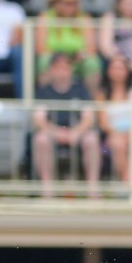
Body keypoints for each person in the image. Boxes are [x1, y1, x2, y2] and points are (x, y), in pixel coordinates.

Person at [29, 47, 99, 195]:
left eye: (65, 67)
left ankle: (92, 188)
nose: (62, 72)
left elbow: (89, 118)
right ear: (51, 70)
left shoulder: (81, 89)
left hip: (77, 132)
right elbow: (38, 120)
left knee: (92, 139)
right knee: (41, 139)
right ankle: (46, 188)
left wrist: (76, 132)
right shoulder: (44, 91)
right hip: (52, 133)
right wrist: (56, 132)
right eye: (58, 68)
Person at [96, 52, 132, 184]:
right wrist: (118, 133)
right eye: (114, 68)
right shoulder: (102, 94)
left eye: (120, 68)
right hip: (113, 135)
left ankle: (128, 182)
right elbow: (102, 122)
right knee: (118, 144)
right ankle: (128, 183)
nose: (117, 72)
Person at [32, 0, 94, 85]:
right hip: (53, 59)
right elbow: (41, 48)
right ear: (56, 3)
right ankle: (45, 96)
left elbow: (91, 48)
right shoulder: (45, 17)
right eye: (67, 3)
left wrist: (80, 56)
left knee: (92, 63)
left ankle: (91, 99)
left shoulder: (84, 18)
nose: (71, 7)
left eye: (74, 3)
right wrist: (60, 60)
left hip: (77, 60)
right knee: (43, 61)